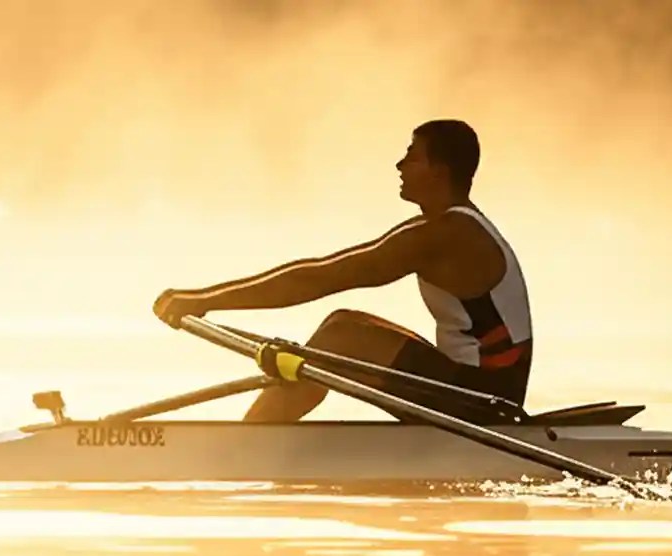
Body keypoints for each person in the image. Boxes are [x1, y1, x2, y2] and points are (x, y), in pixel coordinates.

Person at [153, 119, 532, 423]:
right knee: (343, 322)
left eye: (412, 156)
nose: (399, 166)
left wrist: (204, 301)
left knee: (343, 336)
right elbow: (319, 273)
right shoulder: (453, 227)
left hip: (484, 405)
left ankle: (245, 448)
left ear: (439, 171)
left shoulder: (446, 235)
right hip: (479, 392)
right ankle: (256, 438)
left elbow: (319, 277)